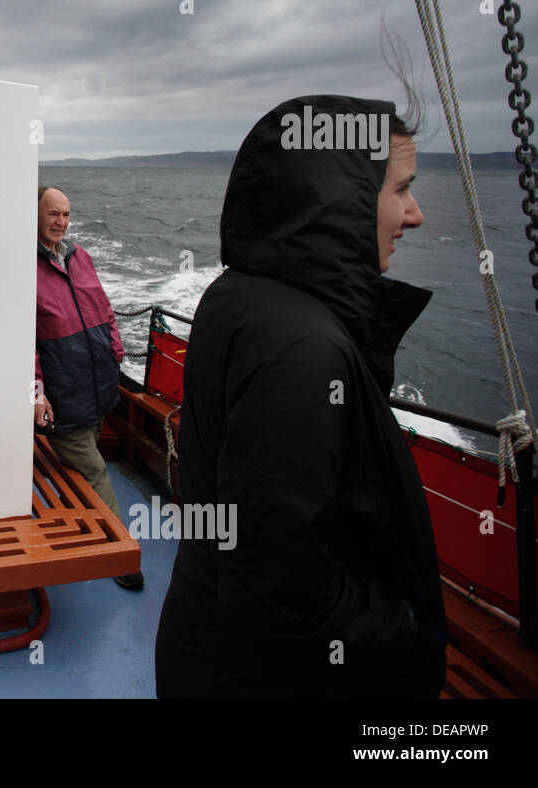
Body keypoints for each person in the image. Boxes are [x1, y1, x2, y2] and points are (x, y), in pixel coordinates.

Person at [155, 94, 447, 697]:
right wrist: (413, 636)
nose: (414, 214)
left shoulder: (239, 294)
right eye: (401, 189)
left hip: (206, 646)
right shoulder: (303, 349)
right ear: (340, 201)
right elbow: (280, 591)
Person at [34, 186, 143, 589]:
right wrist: (36, 393)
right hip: (63, 397)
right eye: (52, 214)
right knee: (95, 470)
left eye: (66, 214)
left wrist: (115, 347)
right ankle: (121, 555)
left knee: (86, 458)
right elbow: (22, 342)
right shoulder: (24, 269)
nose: (61, 221)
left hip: (98, 389)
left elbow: (105, 308)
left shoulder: (82, 259)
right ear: (35, 216)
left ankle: (75, 515)